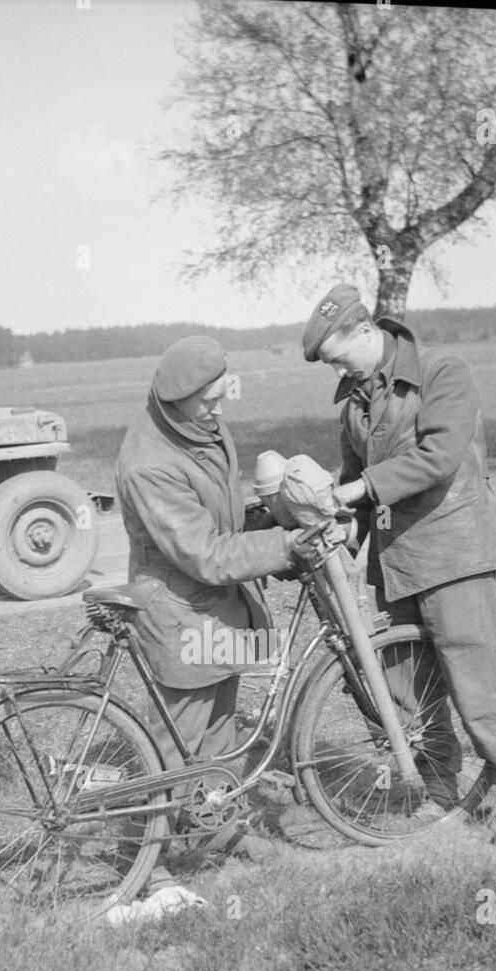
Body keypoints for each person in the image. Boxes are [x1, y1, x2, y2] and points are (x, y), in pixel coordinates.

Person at [302, 283, 496, 844]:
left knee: (472, 677)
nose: (339, 371)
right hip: (396, 560)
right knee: (410, 689)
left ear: (367, 332)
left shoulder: (442, 373)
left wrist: (356, 491)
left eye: (339, 357)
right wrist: (342, 529)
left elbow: (437, 457)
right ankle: (438, 792)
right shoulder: (356, 401)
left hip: (454, 550)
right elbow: (352, 478)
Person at [112, 335, 315, 921]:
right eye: (209, 401)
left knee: (221, 729)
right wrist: (280, 545)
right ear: (177, 403)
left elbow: (217, 517)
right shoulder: (148, 461)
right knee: (174, 745)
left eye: (222, 395)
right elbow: (201, 552)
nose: (220, 409)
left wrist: (264, 519)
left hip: (216, 606)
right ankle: (146, 863)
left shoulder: (200, 428)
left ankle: (215, 831)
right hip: (177, 610)